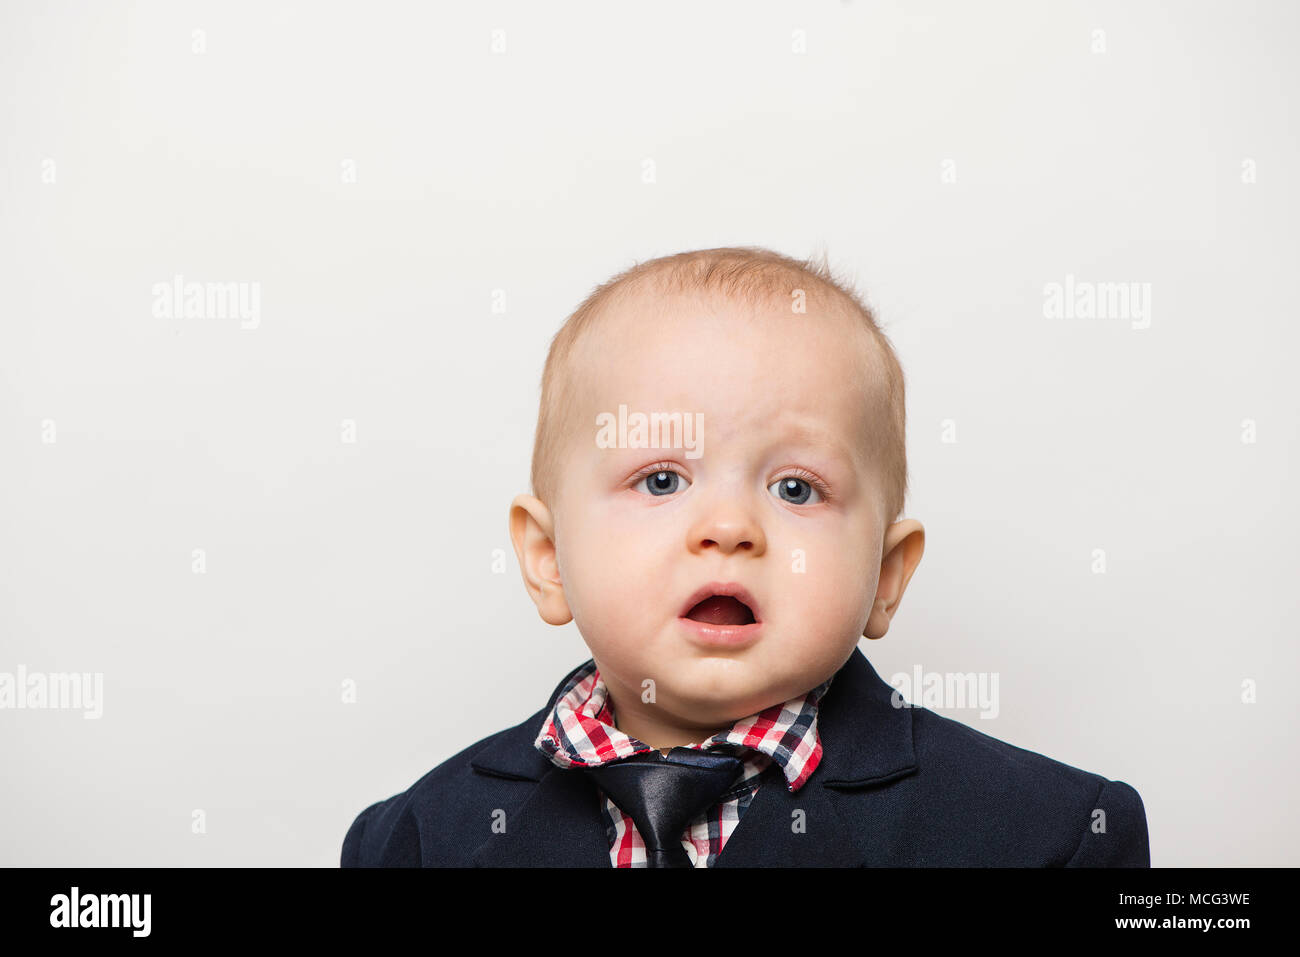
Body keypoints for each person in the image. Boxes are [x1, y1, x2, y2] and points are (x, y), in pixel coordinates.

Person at [341, 246, 1150, 867]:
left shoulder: (1046, 835)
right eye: (661, 478)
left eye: (796, 489)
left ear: (886, 575)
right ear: (548, 558)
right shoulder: (411, 838)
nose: (729, 527)